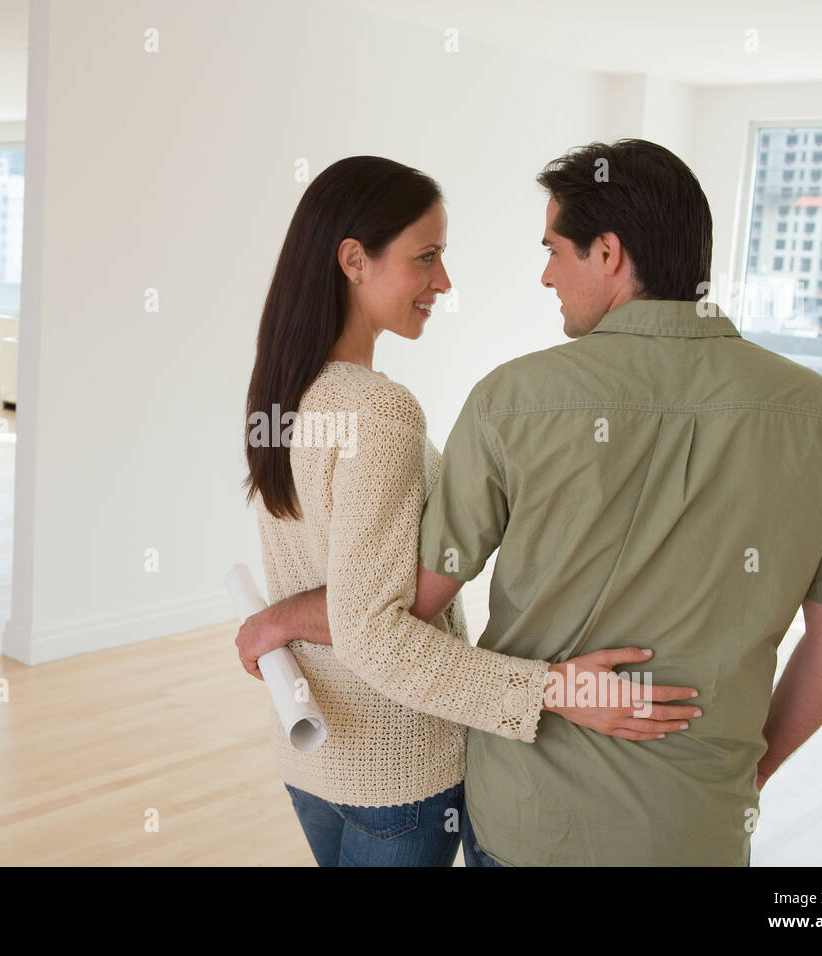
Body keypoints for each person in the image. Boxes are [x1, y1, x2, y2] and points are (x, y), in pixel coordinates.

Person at [244, 139, 822, 866]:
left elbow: (399, 610)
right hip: (699, 826)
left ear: (608, 253)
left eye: (554, 250)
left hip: (528, 817)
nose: (546, 274)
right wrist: (748, 770)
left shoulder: (509, 402)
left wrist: (281, 619)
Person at [238, 155, 701, 868]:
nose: (444, 282)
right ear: (354, 261)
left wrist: (280, 620)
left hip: (311, 753)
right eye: (426, 258)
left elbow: (351, 596)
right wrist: (554, 691)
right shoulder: (380, 412)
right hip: (399, 764)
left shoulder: (285, 395)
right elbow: (375, 627)